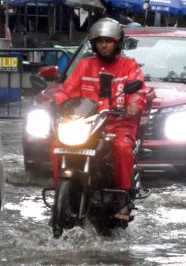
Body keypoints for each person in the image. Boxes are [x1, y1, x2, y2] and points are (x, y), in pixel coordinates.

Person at [51, 18, 149, 221]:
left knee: (122, 148)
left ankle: (124, 200)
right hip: (88, 125)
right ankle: (58, 196)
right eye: (99, 41)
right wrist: (55, 102)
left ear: (117, 43)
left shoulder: (129, 66)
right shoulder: (85, 65)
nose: (103, 45)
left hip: (119, 123)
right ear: (93, 43)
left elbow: (139, 91)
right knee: (56, 144)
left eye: (108, 41)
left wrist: (134, 104)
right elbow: (67, 90)